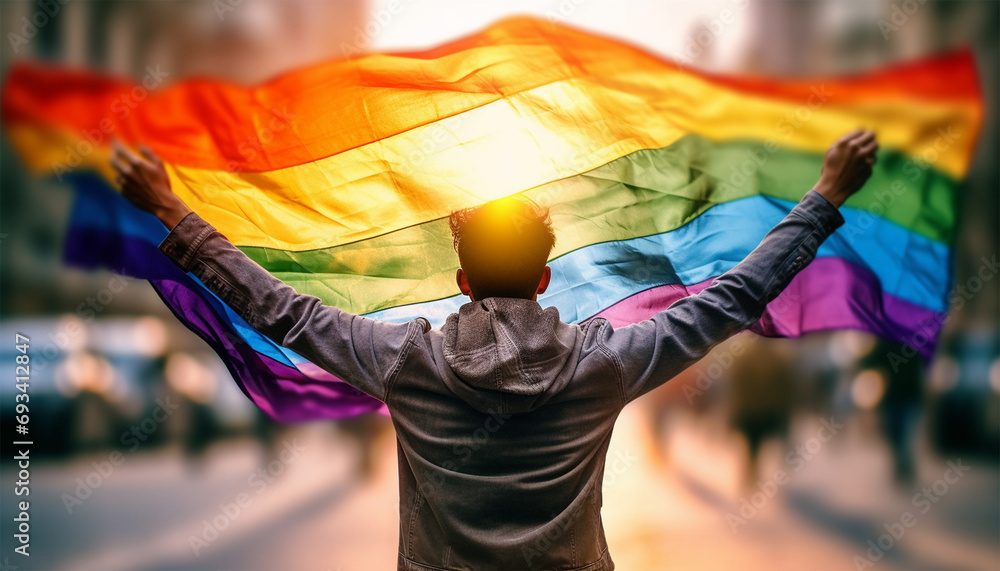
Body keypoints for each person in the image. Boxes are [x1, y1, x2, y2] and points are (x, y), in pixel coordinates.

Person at [111, 129, 878, 570]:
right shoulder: (602, 363)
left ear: (461, 278)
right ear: (546, 276)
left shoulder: (404, 362)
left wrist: (172, 209)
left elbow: (279, 309)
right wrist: (824, 198)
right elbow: (731, 299)